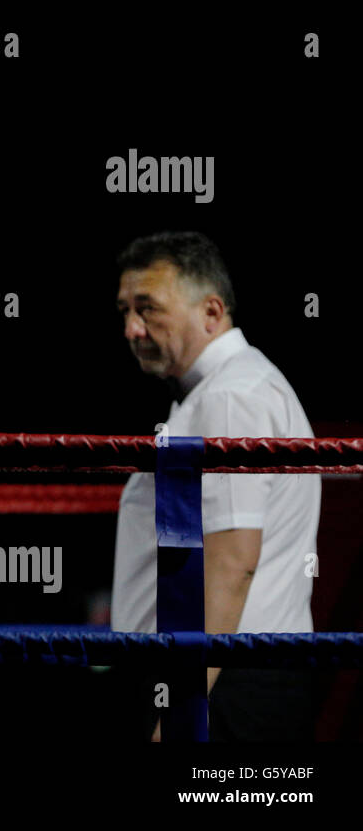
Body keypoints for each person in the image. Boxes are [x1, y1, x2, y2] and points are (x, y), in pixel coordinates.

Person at [112, 231, 320, 741]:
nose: (132, 329)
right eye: (124, 311)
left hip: (225, 679)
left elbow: (234, 559)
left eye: (148, 308)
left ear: (211, 311)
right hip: (222, 672)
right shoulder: (217, 392)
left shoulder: (232, 397)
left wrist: (184, 706)